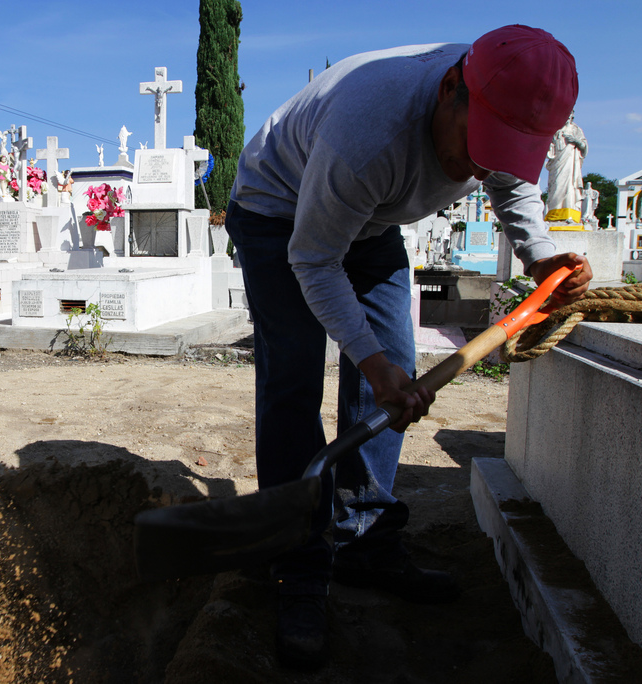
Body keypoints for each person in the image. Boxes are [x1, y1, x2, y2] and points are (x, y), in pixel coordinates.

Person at [226, 25, 593, 670]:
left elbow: (509, 183)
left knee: (392, 364)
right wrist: (370, 360)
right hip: (280, 212)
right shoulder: (371, 132)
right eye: (475, 148)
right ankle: (299, 567)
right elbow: (313, 260)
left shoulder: (498, 91)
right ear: (451, 90)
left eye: (497, 155)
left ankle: (364, 537)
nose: (476, 169)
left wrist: (542, 257)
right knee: (293, 381)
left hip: (372, 221)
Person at [545, 111, 587, 221]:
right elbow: (549, 147)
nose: (567, 118)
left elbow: (584, 146)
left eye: (569, 115)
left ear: (572, 116)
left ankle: (569, 213)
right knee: (556, 185)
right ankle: (554, 212)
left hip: (570, 162)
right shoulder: (555, 130)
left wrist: (575, 141)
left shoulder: (576, 130)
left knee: (569, 186)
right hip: (557, 162)